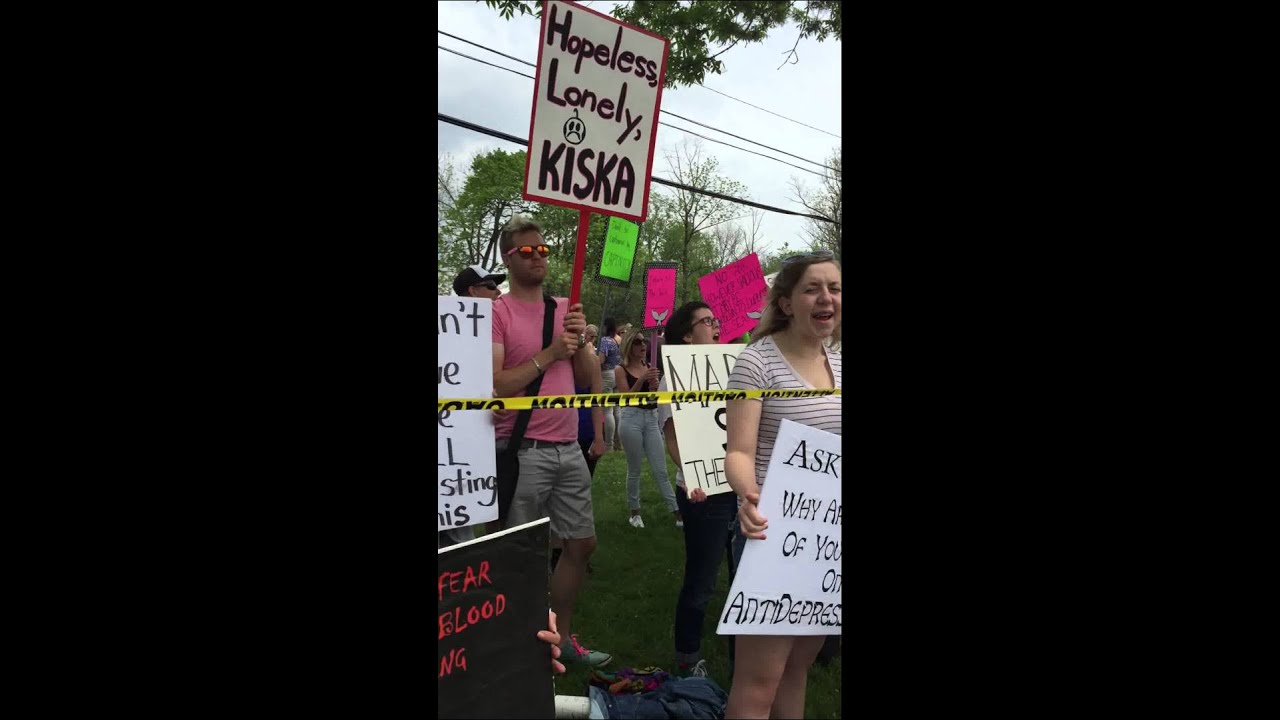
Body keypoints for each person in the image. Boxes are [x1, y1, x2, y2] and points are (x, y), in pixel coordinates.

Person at [723, 249, 842, 718]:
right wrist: (746, 495)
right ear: (788, 302)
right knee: (758, 683)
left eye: (834, 288)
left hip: (823, 541)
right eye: (812, 288)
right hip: (770, 533)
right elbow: (739, 450)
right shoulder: (756, 363)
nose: (826, 297)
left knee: (798, 669)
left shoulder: (839, 364)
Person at [492, 214, 610, 667]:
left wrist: (578, 344)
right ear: (508, 257)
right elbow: (496, 385)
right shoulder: (498, 312)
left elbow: (586, 380)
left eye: (543, 249)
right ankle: (517, 643)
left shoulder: (565, 308)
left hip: (568, 448)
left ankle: (559, 637)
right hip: (522, 451)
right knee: (520, 554)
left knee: (580, 544)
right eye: (528, 250)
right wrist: (548, 355)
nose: (539, 256)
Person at [654, 301, 741, 679]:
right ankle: (688, 657)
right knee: (702, 579)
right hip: (703, 493)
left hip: (740, 485)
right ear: (686, 334)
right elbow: (672, 434)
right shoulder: (671, 378)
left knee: (743, 575)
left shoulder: (731, 369)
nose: (716, 327)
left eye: (716, 321)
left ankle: (747, 650)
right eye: (707, 322)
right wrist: (691, 473)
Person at [614, 329, 681, 529]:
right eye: (637, 342)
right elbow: (625, 399)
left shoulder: (649, 366)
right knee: (634, 469)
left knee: (660, 469)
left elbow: (654, 398)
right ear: (628, 345)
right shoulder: (621, 369)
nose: (642, 346)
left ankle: (677, 512)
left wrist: (654, 386)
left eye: (643, 342)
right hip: (631, 418)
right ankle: (634, 513)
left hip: (650, 418)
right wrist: (643, 379)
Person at [597, 318, 623, 451]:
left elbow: (601, 359)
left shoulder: (605, 341)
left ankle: (609, 445)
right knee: (617, 410)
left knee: (607, 410)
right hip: (619, 373)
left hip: (607, 374)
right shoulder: (620, 339)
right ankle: (620, 443)